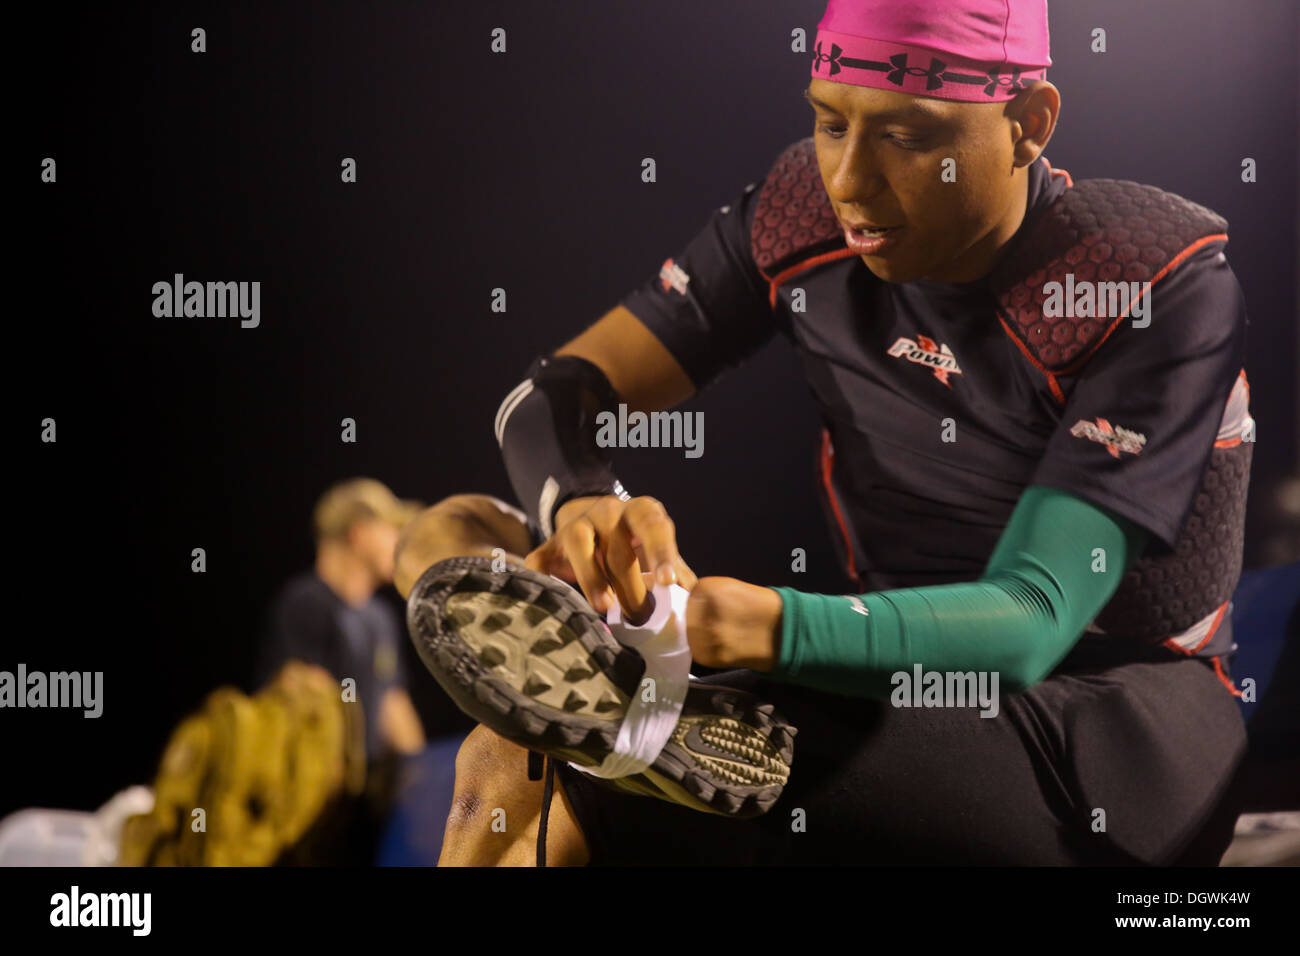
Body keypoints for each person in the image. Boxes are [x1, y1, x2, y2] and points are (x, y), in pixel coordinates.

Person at [394, 0, 1252, 865]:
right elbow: (549, 400)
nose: (848, 179)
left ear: (1028, 125)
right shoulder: (801, 216)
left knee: (599, 775)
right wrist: (583, 507)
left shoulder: (1143, 279)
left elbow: (1034, 618)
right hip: (885, 685)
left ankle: (661, 739)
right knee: (464, 562)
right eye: (829, 122)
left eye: (907, 138)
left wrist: (730, 624)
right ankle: (655, 734)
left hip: (1117, 727)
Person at [258, 477, 427, 765]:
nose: (399, 541)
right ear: (359, 533)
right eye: (391, 529)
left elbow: (392, 702)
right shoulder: (305, 603)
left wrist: (423, 776)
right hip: (316, 789)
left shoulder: (380, 617)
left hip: (364, 790)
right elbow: (297, 694)